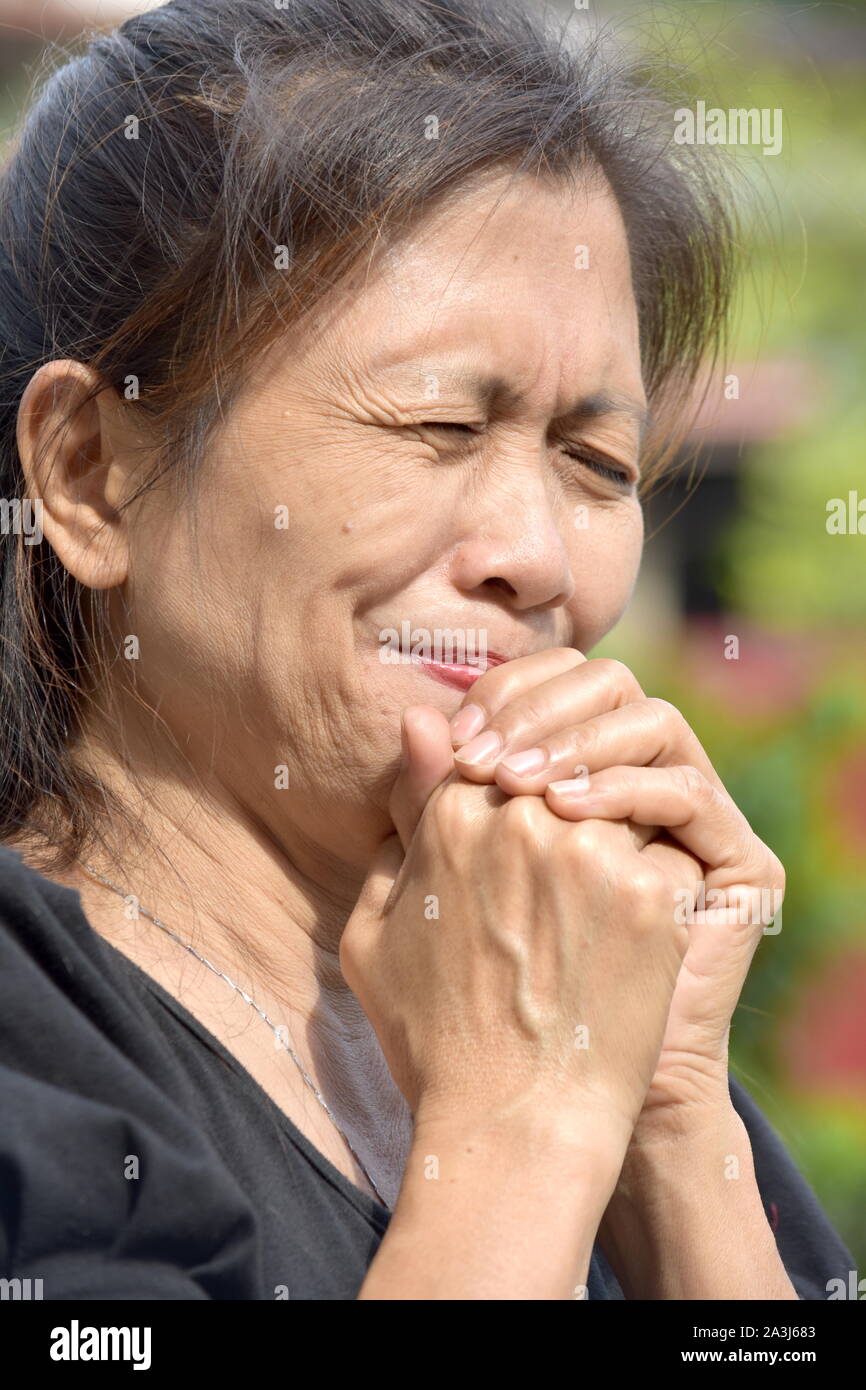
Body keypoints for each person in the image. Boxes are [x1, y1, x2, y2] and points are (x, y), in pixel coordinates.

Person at [0, 0, 855, 1299]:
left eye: (594, 460)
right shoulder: (39, 1069)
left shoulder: (599, 1043)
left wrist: (669, 1123)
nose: (537, 556)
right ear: (88, 473)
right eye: (438, 423)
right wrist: (519, 1130)